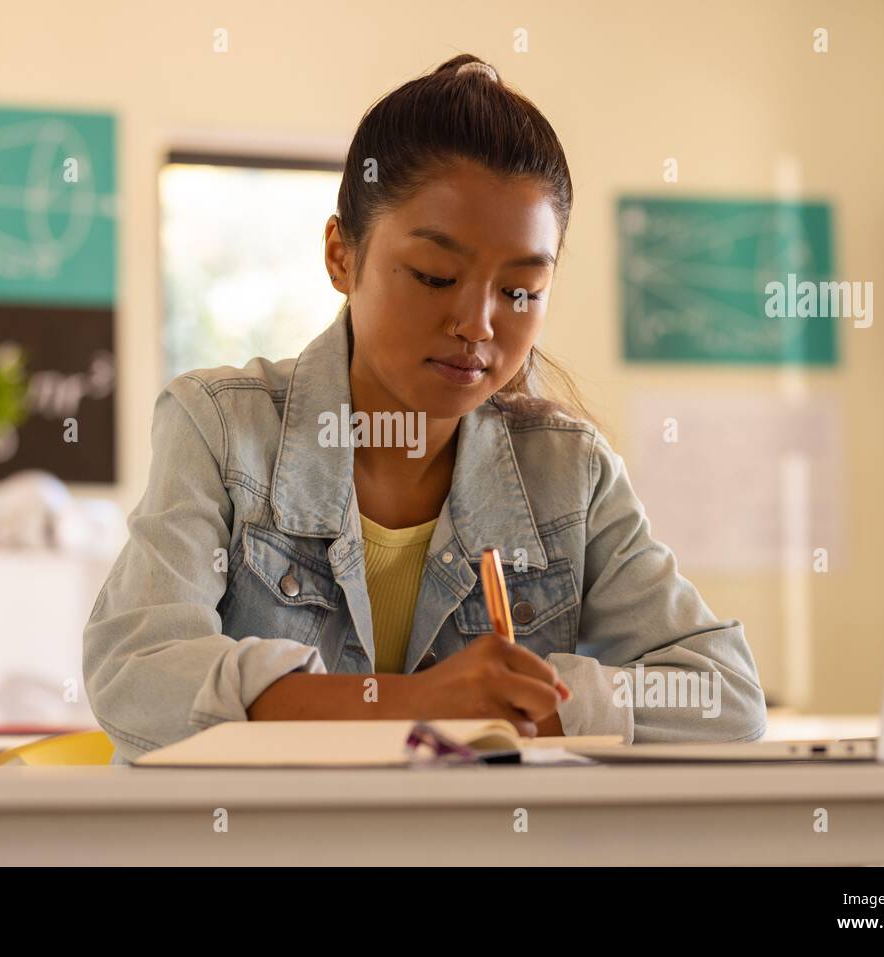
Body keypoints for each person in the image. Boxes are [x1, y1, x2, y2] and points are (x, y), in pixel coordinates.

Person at [84, 54, 767, 764]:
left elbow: (725, 696)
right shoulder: (220, 427)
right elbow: (137, 673)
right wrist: (423, 707)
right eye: (436, 276)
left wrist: (533, 703)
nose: (478, 323)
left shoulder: (571, 472)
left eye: (521, 291)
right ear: (341, 255)